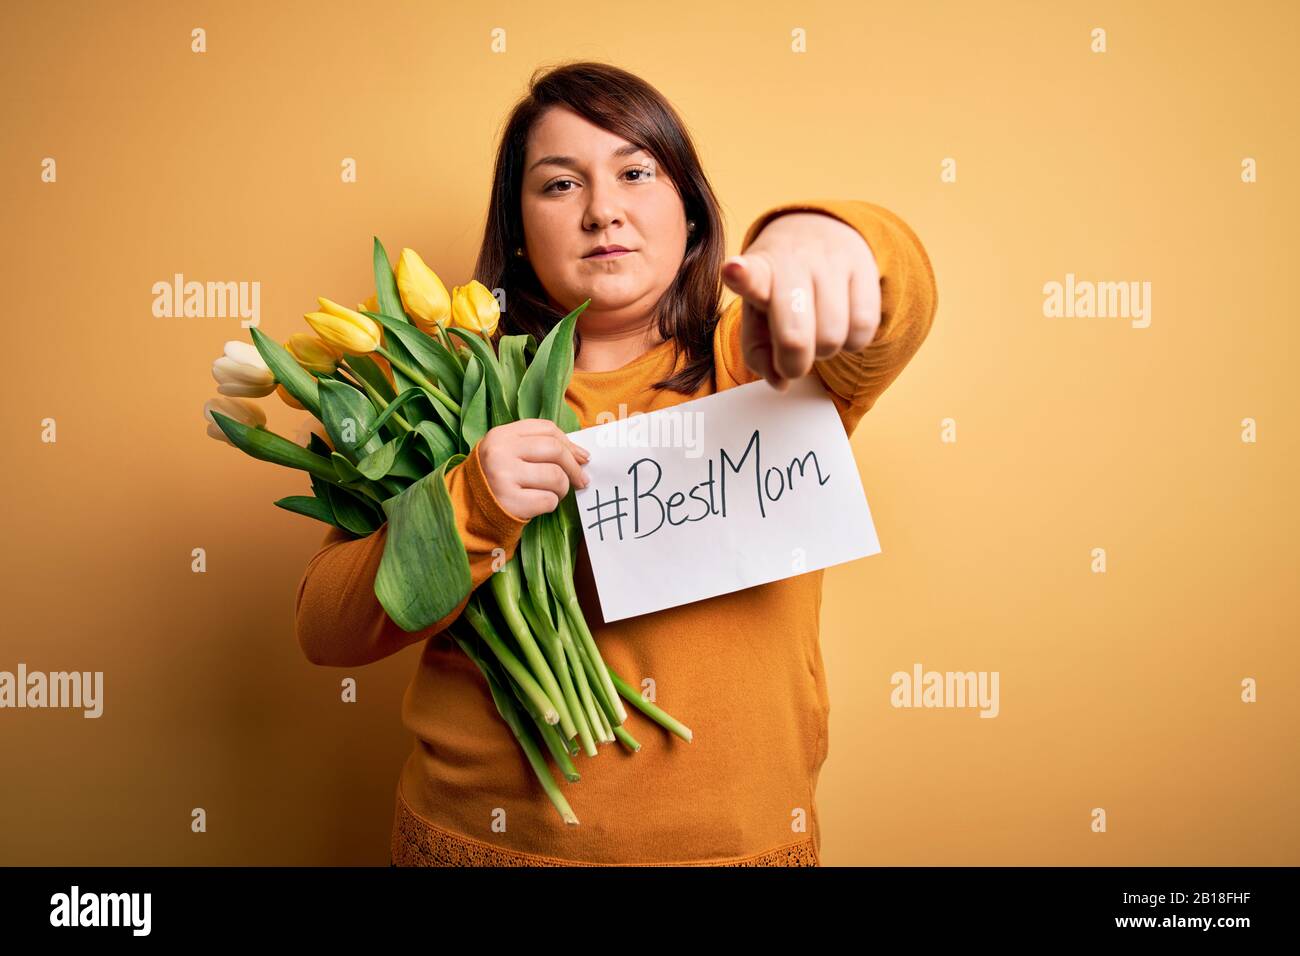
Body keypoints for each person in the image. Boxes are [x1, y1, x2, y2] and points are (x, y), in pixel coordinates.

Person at [295, 60, 938, 866]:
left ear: (693, 214)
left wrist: (821, 236)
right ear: (519, 234)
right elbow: (326, 627)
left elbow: (896, 306)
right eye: (560, 186)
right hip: (481, 840)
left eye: (637, 172)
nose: (604, 210)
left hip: (737, 845)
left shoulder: (764, 356)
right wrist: (469, 503)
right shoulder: (447, 389)